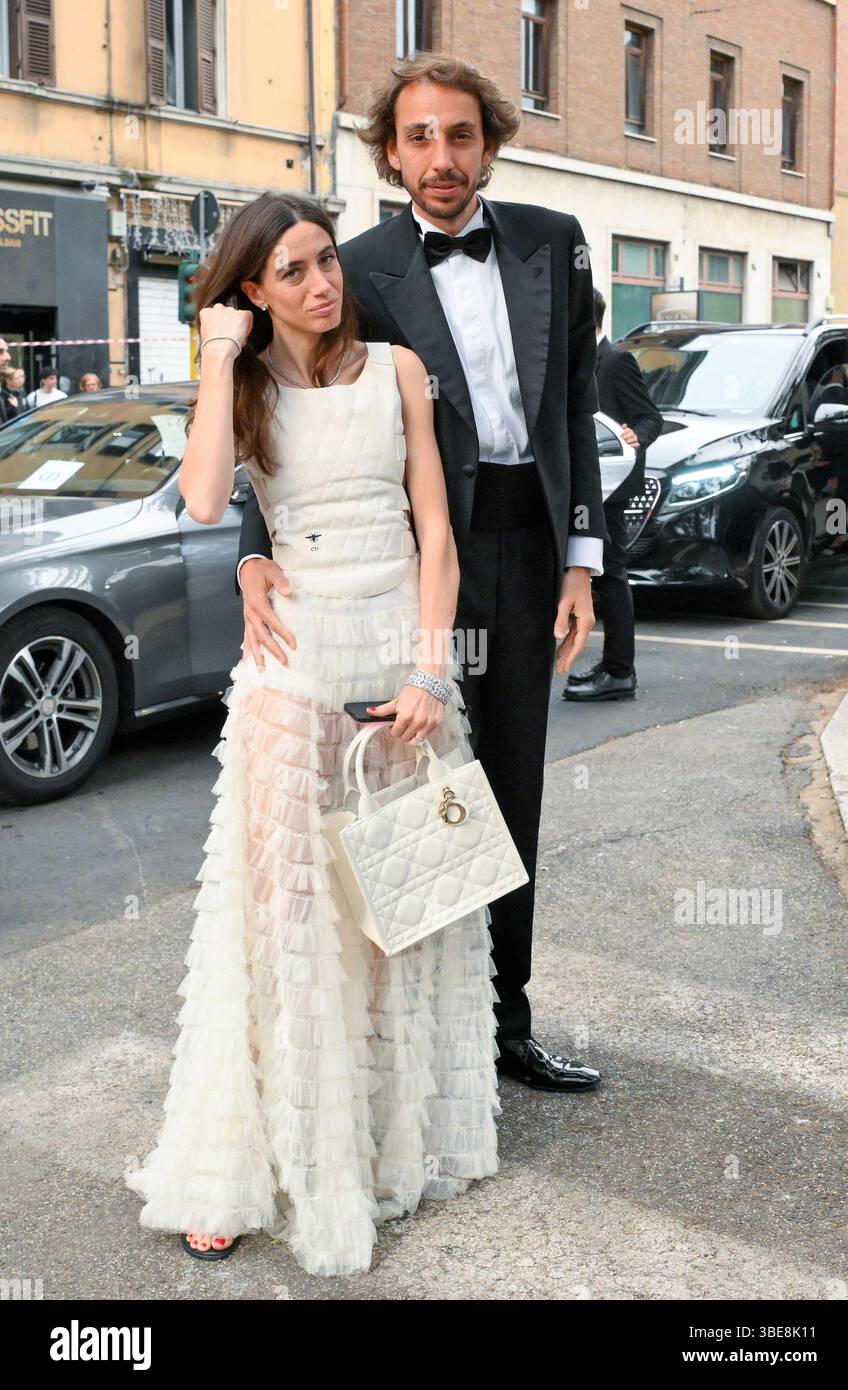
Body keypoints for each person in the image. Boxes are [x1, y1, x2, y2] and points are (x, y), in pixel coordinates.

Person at [124, 190, 501, 1276]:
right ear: (253, 289)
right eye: (290, 270)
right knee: (284, 924)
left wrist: (433, 668)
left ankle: (388, 1144)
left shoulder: (398, 372)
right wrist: (215, 353)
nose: (320, 282)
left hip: (397, 650)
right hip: (291, 671)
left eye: (325, 260)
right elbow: (204, 499)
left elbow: (438, 530)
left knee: (402, 908)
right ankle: (259, 1158)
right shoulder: (238, 392)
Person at [236, 53, 607, 1094]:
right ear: (390, 153)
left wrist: (582, 558)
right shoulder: (351, 265)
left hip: (529, 548)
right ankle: (424, 1041)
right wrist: (251, 551)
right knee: (410, 798)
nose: (441, 158)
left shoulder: (554, 244)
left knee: (511, 791)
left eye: (459, 134)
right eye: (418, 138)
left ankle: (507, 1028)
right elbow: (285, 423)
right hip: (413, 559)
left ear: (488, 140)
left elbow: (574, 405)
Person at [564, 289, 663, 702]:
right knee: (596, 577)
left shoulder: (617, 359)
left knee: (612, 575)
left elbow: (649, 416)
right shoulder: (573, 360)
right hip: (584, 484)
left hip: (613, 485)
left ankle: (620, 671)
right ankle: (610, 666)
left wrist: (635, 434)